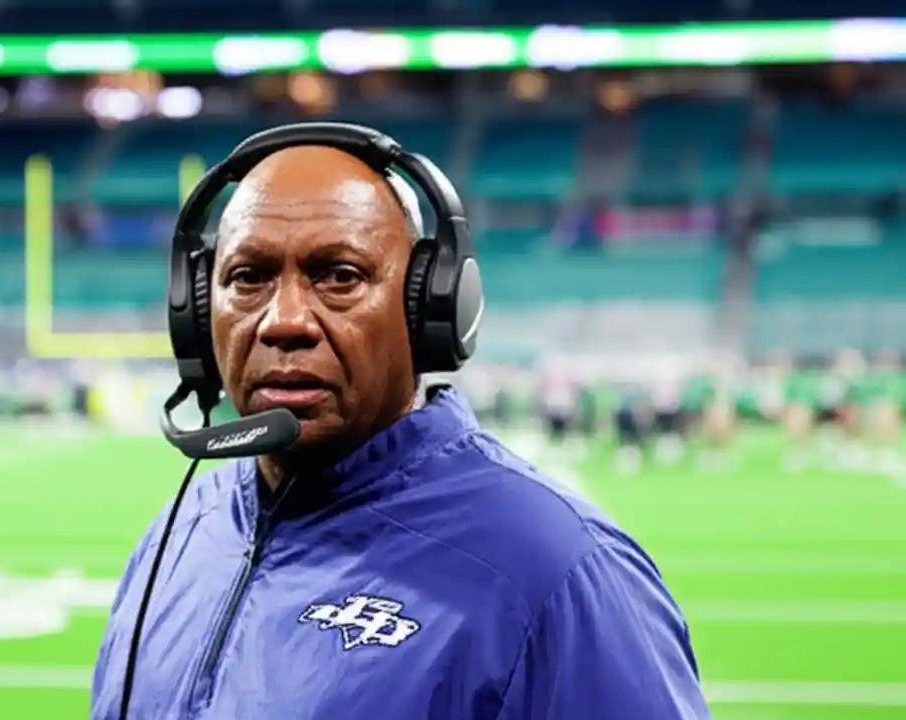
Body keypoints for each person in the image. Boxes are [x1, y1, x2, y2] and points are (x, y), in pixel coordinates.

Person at [90, 138, 709, 719]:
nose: (284, 321)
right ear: (197, 315)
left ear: (429, 310)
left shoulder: (560, 572)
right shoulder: (181, 532)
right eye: (248, 278)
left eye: (339, 276)